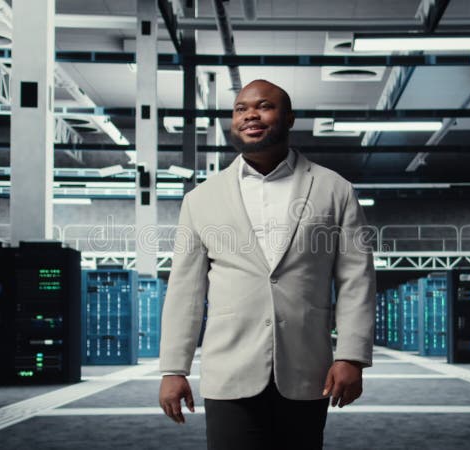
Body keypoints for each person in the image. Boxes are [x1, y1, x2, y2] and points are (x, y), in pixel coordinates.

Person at [158, 79, 375, 449]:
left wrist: (352, 357)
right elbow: (185, 290)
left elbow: (357, 278)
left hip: (308, 369)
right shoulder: (201, 199)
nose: (250, 115)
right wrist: (173, 369)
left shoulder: (334, 189)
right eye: (241, 109)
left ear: (289, 118)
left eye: (264, 106)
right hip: (230, 368)